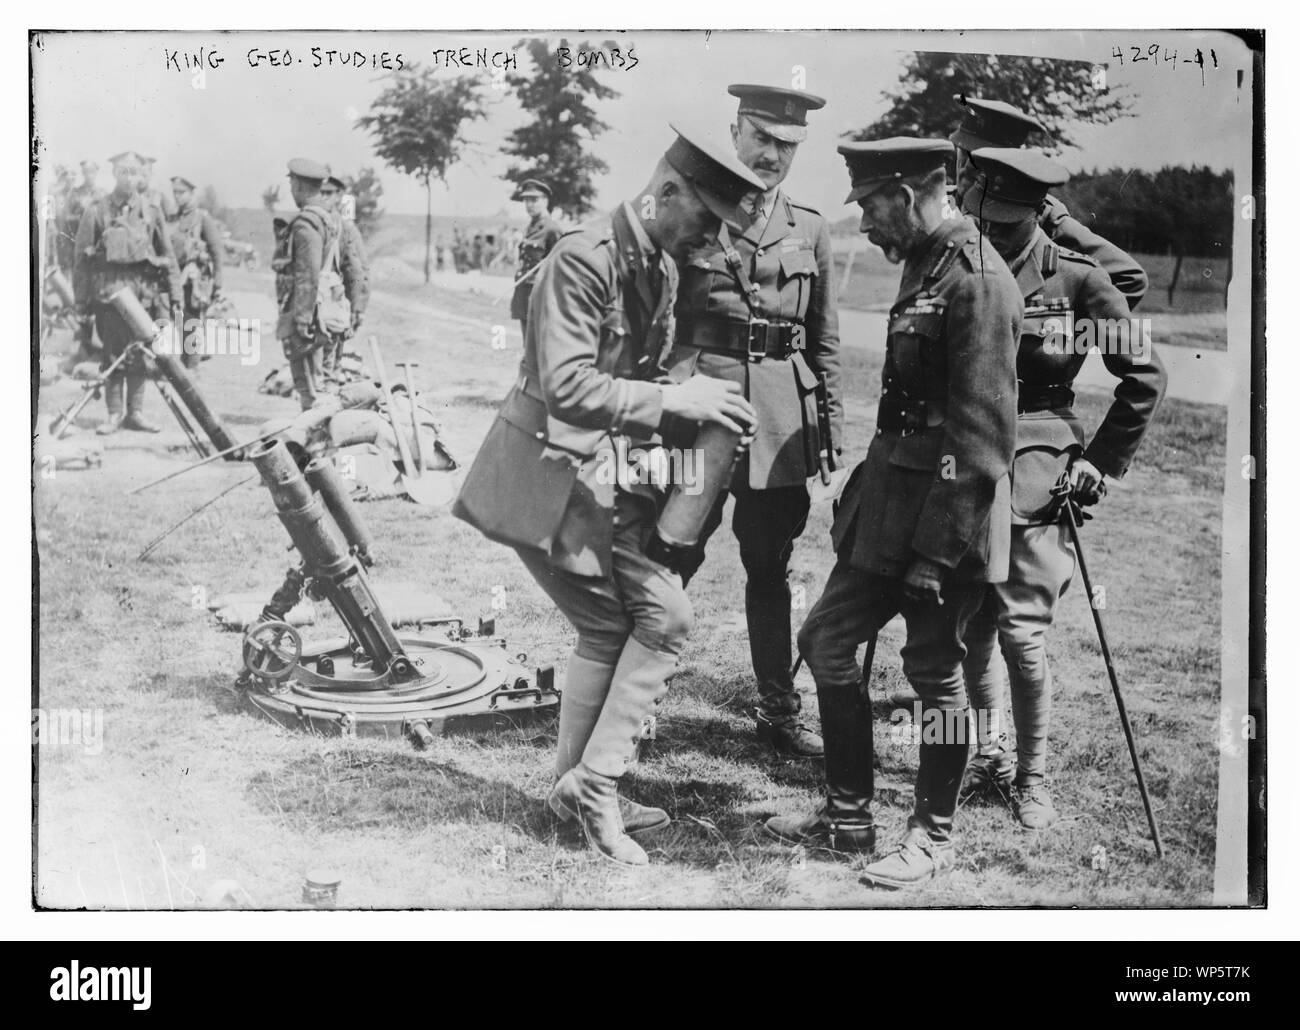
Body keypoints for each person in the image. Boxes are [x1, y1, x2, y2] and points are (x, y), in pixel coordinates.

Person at [453, 126, 764, 867]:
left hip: (593, 478)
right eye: (707, 221)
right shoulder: (583, 259)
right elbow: (566, 386)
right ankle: (595, 787)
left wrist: (698, 418)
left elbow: (631, 381)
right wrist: (678, 403)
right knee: (666, 614)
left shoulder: (654, 259)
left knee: (614, 626)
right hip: (544, 478)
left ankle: (578, 787)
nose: (713, 240)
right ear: (664, 196)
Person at [764, 138, 1022, 889]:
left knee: (936, 674)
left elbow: (980, 444)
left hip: (948, 525)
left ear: (909, 196)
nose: (867, 228)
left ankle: (932, 834)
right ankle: (848, 814)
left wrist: (935, 556)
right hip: (890, 510)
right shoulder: (927, 260)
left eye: (873, 209)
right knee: (826, 637)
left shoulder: (977, 281)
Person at [956, 148, 1168, 825]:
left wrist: (1099, 462)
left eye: (1012, 221)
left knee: (1022, 633)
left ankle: (1033, 777)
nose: (996, 231)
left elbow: (1144, 375)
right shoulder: (960, 259)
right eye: (989, 216)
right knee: (969, 627)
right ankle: (987, 758)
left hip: (1036, 471)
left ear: (1038, 212)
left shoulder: (1078, 281)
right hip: (964, 465)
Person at [668, 84, 842, 758]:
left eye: (788, 145)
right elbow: (662, 320)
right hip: (701, 414)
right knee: (671, 555)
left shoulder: (813, 228)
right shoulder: (693, 215)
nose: (773, 155)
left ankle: (777, 708)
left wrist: (827, 433)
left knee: (770, 567)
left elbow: (823, 343)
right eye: (763, 138)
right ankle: (631, 697)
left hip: (778, 424)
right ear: (735, 131)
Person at [948, 95, 1148, 309]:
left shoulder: (1040, 215)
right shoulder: (940, 205)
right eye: (963, 150)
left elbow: (1130, 278)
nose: (966, 166)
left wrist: (1057, 327)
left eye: (979, 157)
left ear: (1008, 163)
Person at [72, 151, 181, 434]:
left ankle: (136, 413)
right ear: (114, 174)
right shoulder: (97, 210)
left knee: (140, 355)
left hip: (143, 294)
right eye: (124, 172)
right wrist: (81, 302)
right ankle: (114, 414)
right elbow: (81, 262)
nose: (130, 178)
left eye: (134, 172)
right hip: (109, 295)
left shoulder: (151, 211)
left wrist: (176, 295)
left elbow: (167, 255)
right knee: (112, 354)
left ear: (141, 175)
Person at [271, 158, 341, 410]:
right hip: (314, 305)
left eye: (292, 184)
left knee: (308, 382)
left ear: (299, 185)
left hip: (306, 310)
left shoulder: (306, 224)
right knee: (310, 379)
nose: (291, 190)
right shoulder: (323, 217)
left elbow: (308, 274)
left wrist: (301, 317)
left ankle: (314, 432)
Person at [168, 176, 225, 370]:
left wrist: (218, 282)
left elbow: (217, 250)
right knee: (176, 325)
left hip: (193, 282)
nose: (177, 197)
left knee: (191, 324)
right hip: (174, 279)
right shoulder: (173, 219)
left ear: (192, 193)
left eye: (181, 192)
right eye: (174, 192)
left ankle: (191, 369)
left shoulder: (202, 218)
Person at [318, 173, 370, 384]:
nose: (324, 197)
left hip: (331, 303)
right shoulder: (311, 221)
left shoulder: (345, 228)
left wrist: (357, 308)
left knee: (330, 364)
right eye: (320, 192)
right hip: (311, 304)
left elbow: (358, 271)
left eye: (329, 193)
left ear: (339, 196)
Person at [509, 179, 563, 336]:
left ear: (545, 201)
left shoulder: (552, 229)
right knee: (527, 344)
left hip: (541, 294)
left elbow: (560, 264)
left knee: (540, 343)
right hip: (525, 291)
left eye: (534, 200)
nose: (529, 204)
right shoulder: (529, 227)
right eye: (526, 200)